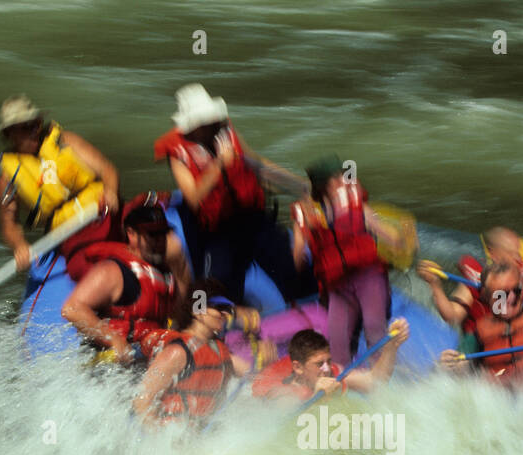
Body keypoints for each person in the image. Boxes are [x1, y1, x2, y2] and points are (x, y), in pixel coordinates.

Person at [152, 84, 310, 304]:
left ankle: (303, 306)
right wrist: (218, 165)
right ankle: (218, 319)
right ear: (193, 125)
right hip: (218, 230)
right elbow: (194, 199)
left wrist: (300, 185)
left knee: (288, 269)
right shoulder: (177, 153)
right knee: (218, 284)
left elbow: (257, 165)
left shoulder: (225, 131)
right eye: (205, 121)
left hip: (250, 217)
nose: (212, 125)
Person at [290, 156, 405, 368]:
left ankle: (380, 382)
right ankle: (342, 384)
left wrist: (397, 240)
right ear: (325, 185)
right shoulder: (306, 211)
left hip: (368, 276)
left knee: (374, 328)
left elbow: (379, 228)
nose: (342, 181)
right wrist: (295, 265)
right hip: (338, 286)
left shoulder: (354, 201)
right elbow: (298, 251)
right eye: (336, 178)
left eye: (341, 176)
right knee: (337, 343)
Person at [0, 96, 121, 273]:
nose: (35, 131)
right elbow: (10, 225)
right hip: (66, 235)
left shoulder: (65, 141)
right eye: (26, 127)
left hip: (101, 214)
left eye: (36, 124)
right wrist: (19, 245)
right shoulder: (8, 179)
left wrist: (111, 192)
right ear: (9, 134)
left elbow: (107, 170)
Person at [60, 196, 191, 363]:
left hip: (147, 359)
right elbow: (71, 309)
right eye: (152, 235)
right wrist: (112, 339)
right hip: (110, 365)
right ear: (132, 234)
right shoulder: (113, 271)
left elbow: (181, 310)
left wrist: (180, 262)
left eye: (163, 233)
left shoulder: (165, 274)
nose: (160, 241)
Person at [132, 282, 253, 426]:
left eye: (228, 310)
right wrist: (155, 436)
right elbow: (142, 400)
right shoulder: (178, 352)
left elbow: (253, 376)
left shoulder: (219, 351)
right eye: (219, 308)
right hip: (169, 436)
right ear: (198, 311)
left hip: (198, 436)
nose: (225, 314)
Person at [252, 321, 409, 402]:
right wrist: (316, 398)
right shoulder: (283, 393)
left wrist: (391, 348)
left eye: (328, 360)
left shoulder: (331, 372)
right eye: (319, 364)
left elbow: (374, 382)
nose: (326, 368)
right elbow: (286, 425)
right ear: (298, 368)